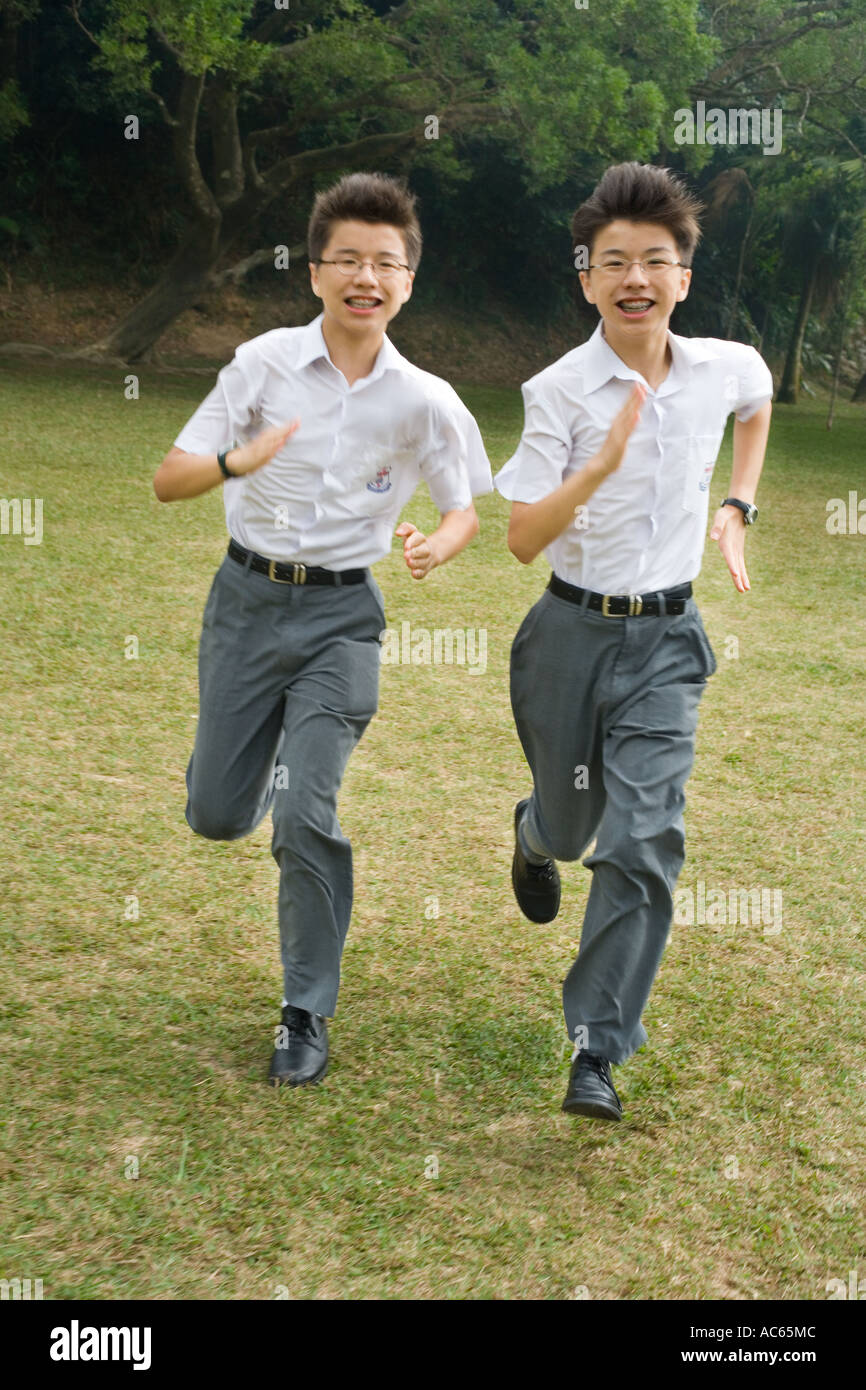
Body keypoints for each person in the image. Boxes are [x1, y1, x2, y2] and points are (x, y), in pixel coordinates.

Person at [153, 172, 492, 1088]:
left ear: (408, 282)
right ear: (315, 273)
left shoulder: (426, 399)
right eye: (348, 259)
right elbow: (169, 478)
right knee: (217, 814)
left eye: (386, 262)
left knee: (309, 813)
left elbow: (466, 509)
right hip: (245, 604)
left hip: (345, 619)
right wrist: (237, 458)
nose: (366, 276)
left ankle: (305, 1009)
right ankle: (242, 779)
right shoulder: (259, 365)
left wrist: (436, 546)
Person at [496, 162, 772, 1122]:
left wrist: (736, 503)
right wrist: (598, 466)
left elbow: (758, 399)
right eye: (614, 261)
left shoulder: (720, 367)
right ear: (587, 279)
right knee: (575, 834)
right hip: (569, 632)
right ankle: (534, 832)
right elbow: (523, 535)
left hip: (667, 642)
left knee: (646, 838)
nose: (636, 277)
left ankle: (597, 1048)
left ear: (682, 278)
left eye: (656, 260)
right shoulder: (559, 391)